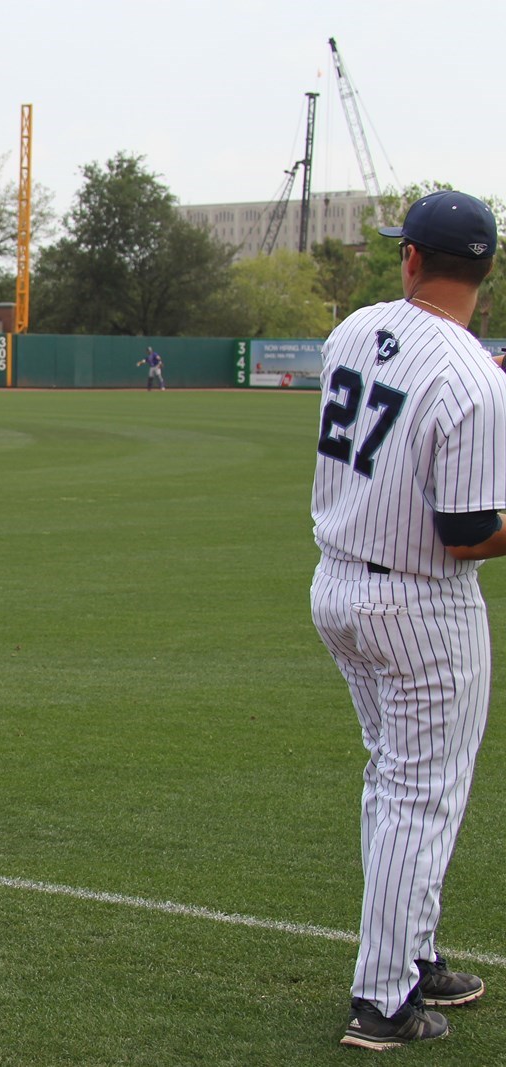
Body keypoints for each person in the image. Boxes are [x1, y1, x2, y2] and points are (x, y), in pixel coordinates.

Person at [309, 190, 500, 1050]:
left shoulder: (354, 330)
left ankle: (413, 954)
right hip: (420, 603)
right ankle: (383, 999)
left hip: (339, 585)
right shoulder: (473, 378)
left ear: (413, 257)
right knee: (420, 796)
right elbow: (469, 533)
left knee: (394, 780)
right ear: (485, 273)